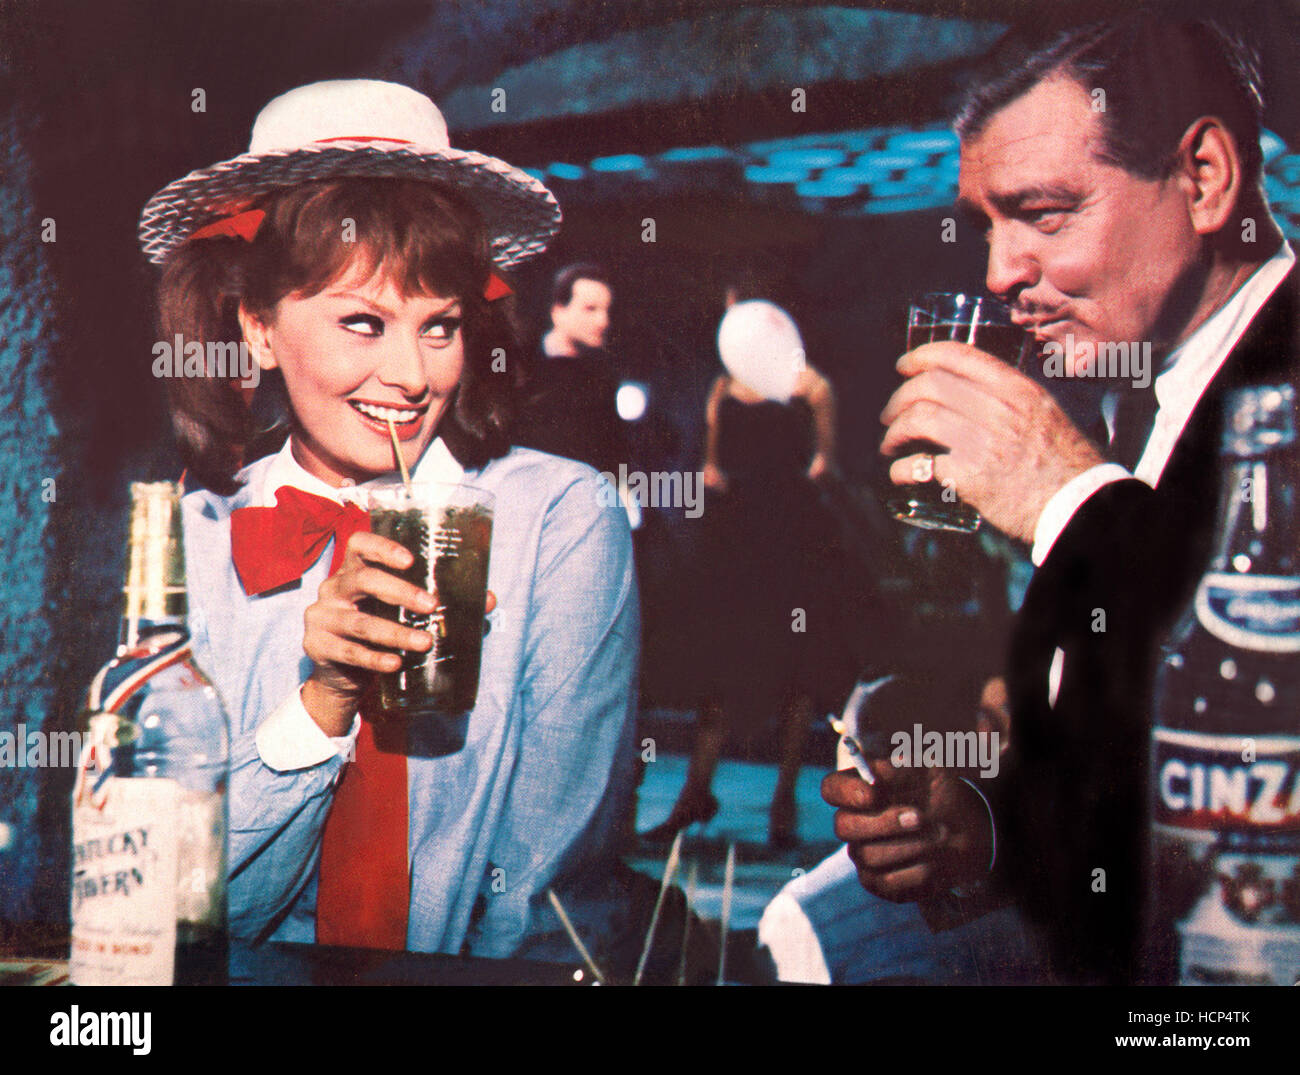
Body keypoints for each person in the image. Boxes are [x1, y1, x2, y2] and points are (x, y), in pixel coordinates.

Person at [824, 12, 1297, 983]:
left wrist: (1067, 499)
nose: (1001, 275)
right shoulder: (1150, 392)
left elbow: (1260, 769)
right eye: (987, 227)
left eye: (1043, 214)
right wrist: (985, 827)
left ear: (1203, 179)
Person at [137, 79, 642, 966]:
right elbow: (184, 910)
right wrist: (321, 702)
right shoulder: (196, 534)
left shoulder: (562, 518)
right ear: (256, 328)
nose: (412, 375)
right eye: (364, 322)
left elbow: (550, 887)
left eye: (439, 326)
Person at [647, 300, 849, 848]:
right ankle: (695, 794)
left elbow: (824, 467)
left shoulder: (810, 386)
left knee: (794, 673)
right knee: (719, 671)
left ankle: (782, 803)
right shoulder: (723, 387)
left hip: (791, 544)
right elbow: (711, 472)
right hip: (737, 545)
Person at [511, 263, 627, 477]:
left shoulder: (603, 383)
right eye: (590, 309)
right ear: (558, 311)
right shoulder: (516, 365)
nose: (603, 321)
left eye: (606, 311)